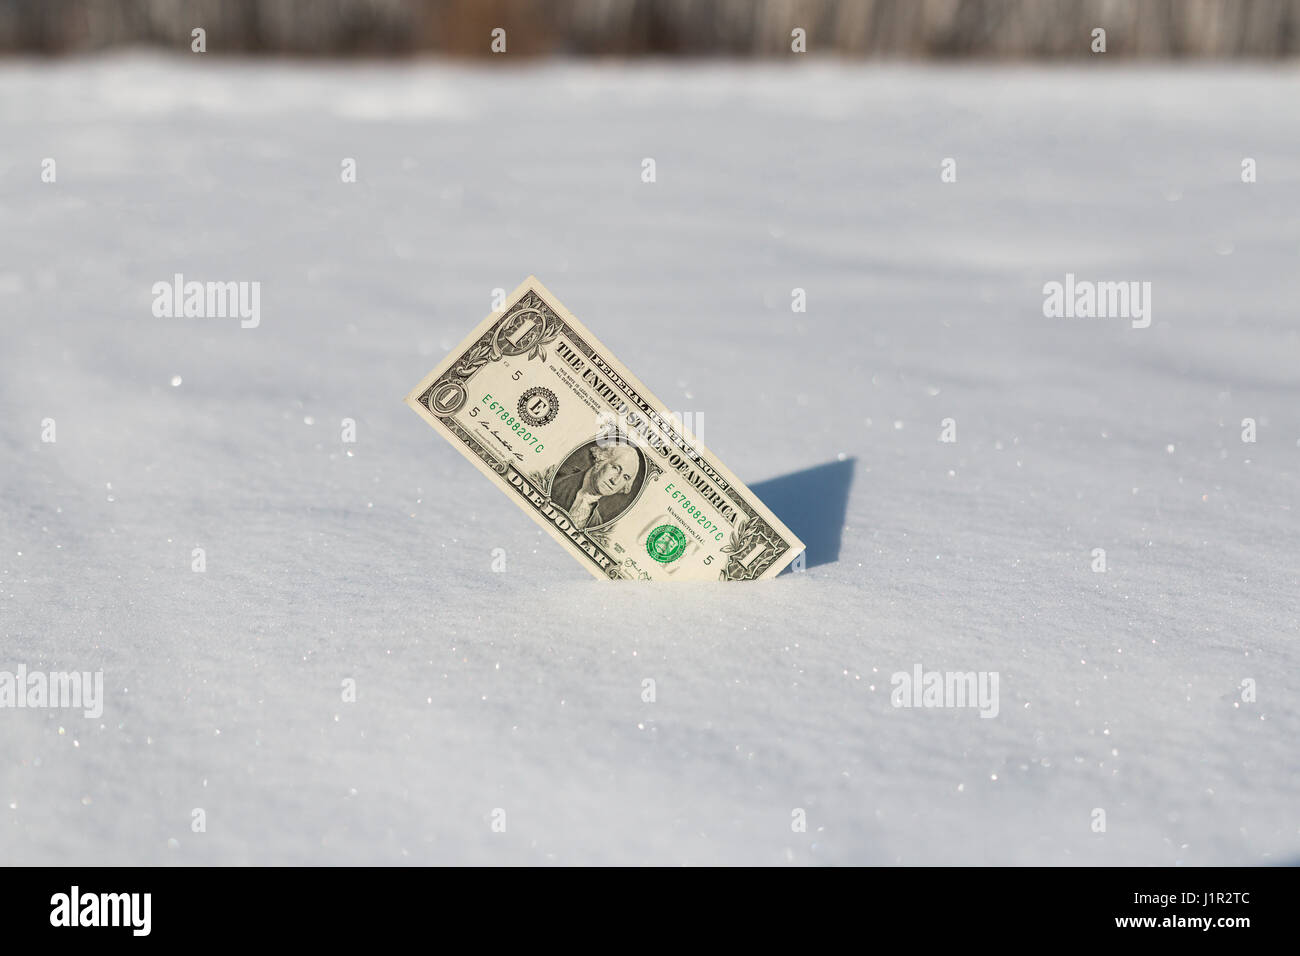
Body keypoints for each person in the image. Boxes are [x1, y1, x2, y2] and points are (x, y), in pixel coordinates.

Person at [551, 442, 640, 528]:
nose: (615, 481)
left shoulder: (596, 523)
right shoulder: (554, 479)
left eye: (625, 477)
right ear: (601, 460)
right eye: (615, 468)